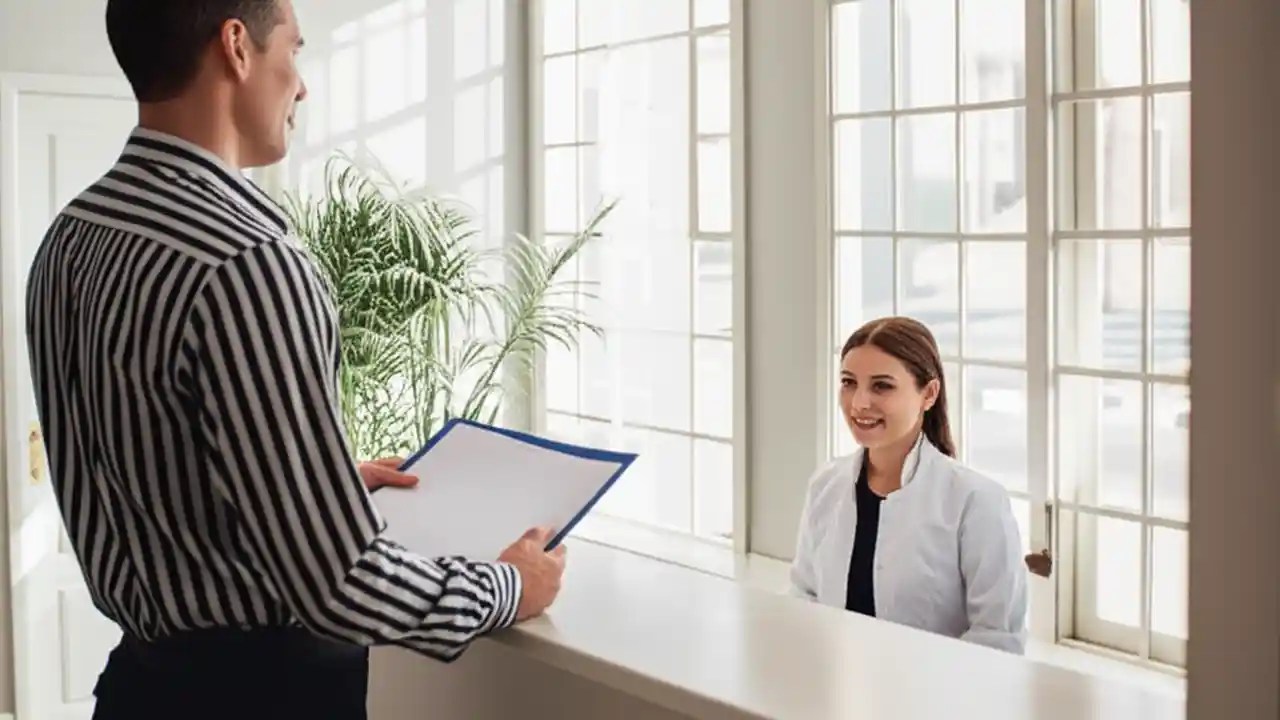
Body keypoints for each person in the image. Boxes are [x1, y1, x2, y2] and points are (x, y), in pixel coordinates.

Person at [24, 1, 565, 717]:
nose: (302, 85)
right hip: (262, 698)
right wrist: (507, 586)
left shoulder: (73, 237)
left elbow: (151, 464)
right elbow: (338, 586)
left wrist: (318, 481)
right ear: (237, 48)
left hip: (134, 693)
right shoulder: (249, 260)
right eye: (296, 51)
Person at [789, 317, 1027, 654]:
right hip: (836, 690)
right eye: (849, 382)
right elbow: (804, 597)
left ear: (928, 394)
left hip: (937, 698)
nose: (859, 403)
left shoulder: (976, 501)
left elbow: (998, 636)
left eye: (882, 386)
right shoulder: (825, 485)